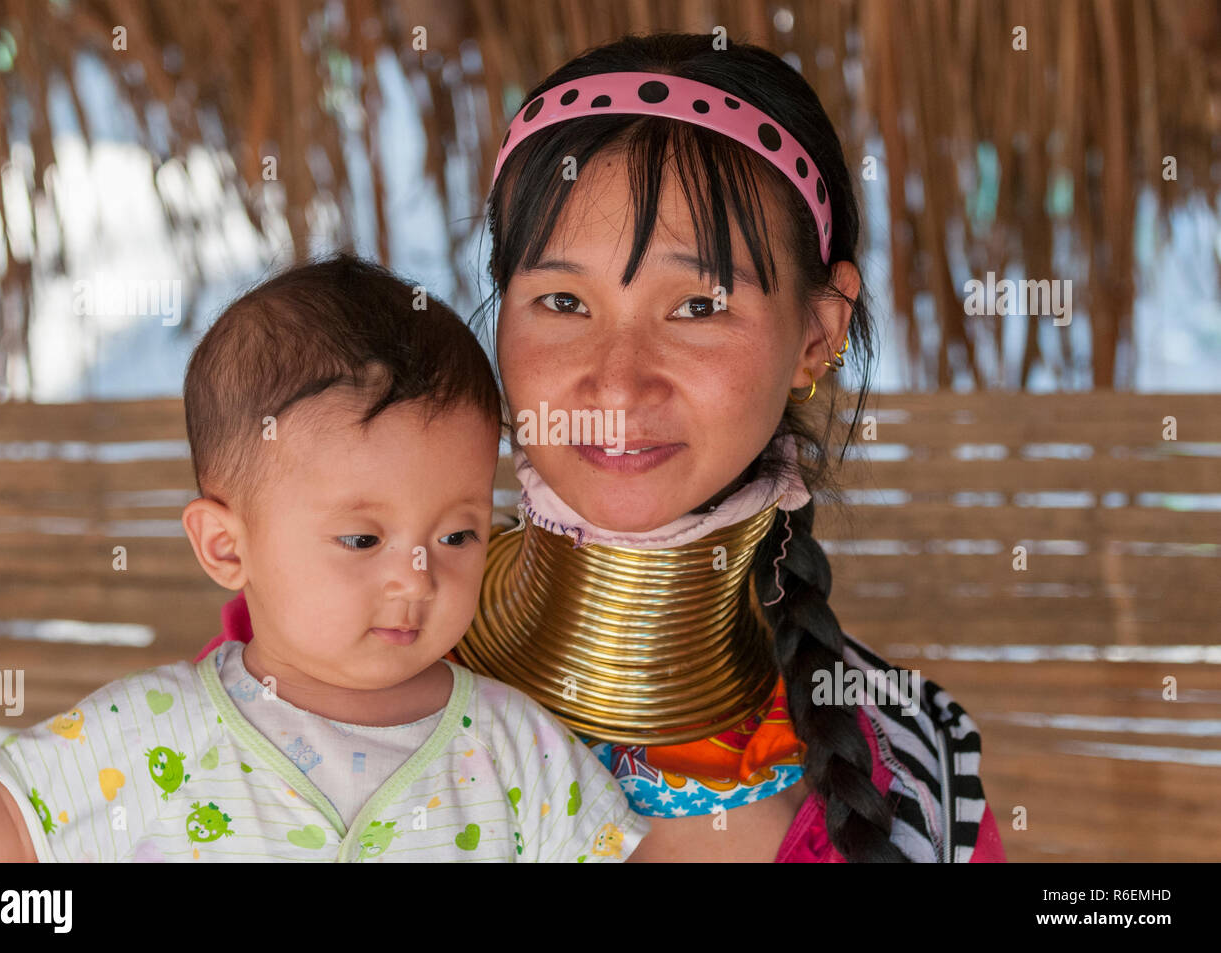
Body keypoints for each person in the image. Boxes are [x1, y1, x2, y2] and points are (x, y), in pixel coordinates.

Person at [204, 32, 1006, 862]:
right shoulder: (303, 675)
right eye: (562, 300)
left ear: (816, 332)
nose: (619, 386)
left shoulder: (916, 767)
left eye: (698, 306)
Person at [0, 255, 648, 863]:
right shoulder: (146, 734)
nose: (416, 575)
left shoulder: (522, 752)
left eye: (456, 535)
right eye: (363, 540)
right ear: (226, 546)